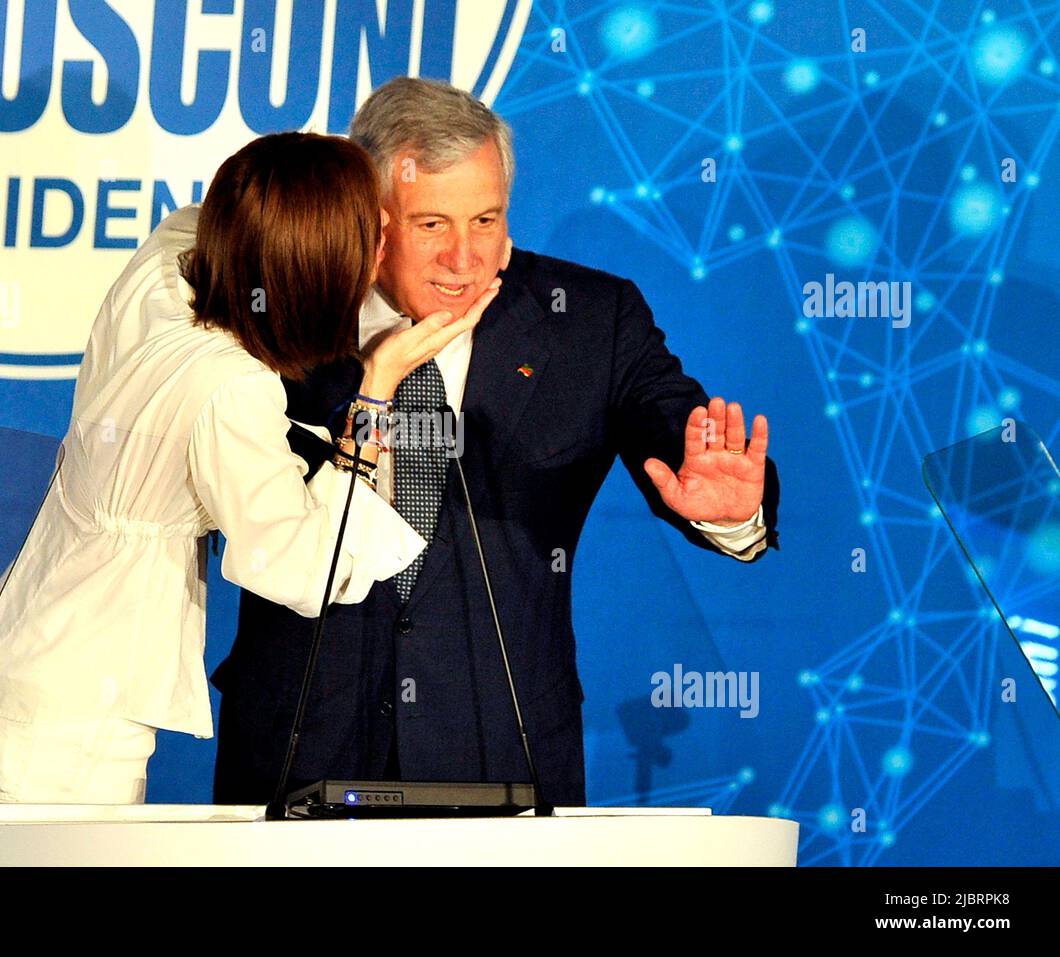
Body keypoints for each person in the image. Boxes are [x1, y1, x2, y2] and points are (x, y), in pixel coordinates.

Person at [209, 77, 782, 807]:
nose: (464, 258)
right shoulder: (278, 306)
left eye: (486, 219)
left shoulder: (591, 323)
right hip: (301, 748)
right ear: (369, 216)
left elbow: (678, 431)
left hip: (499, 755)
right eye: (430, 225)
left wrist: (729, 509)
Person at [0, 131, 499, 821]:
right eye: (374, 230)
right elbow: (306, 569)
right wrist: (377, 387)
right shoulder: (229, 389)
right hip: (75, 720)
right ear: (320, 267)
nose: (389, 234)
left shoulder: (166, 266)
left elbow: (235, 211)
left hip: (38, 660)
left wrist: (322, 181)